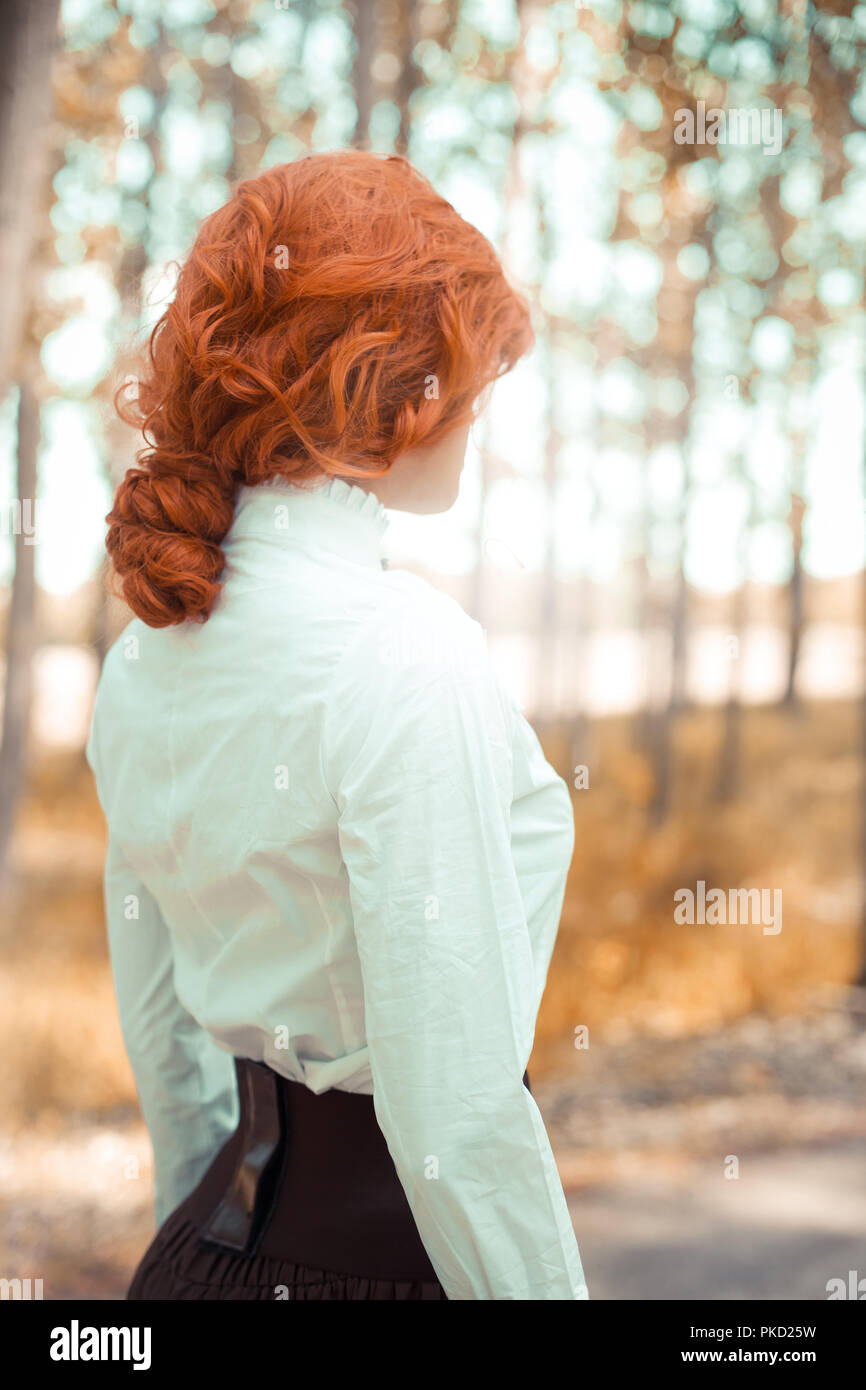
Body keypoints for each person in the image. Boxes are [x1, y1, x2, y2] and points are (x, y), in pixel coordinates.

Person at [86, 149, 588, 1300]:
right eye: (474, 383)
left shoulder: (143, 656)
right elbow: (457, 1114)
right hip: (386, 1268)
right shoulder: (402, 654)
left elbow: (167, 1039)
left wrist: (190, 1234)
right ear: (414, 395)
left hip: (197, 1257)